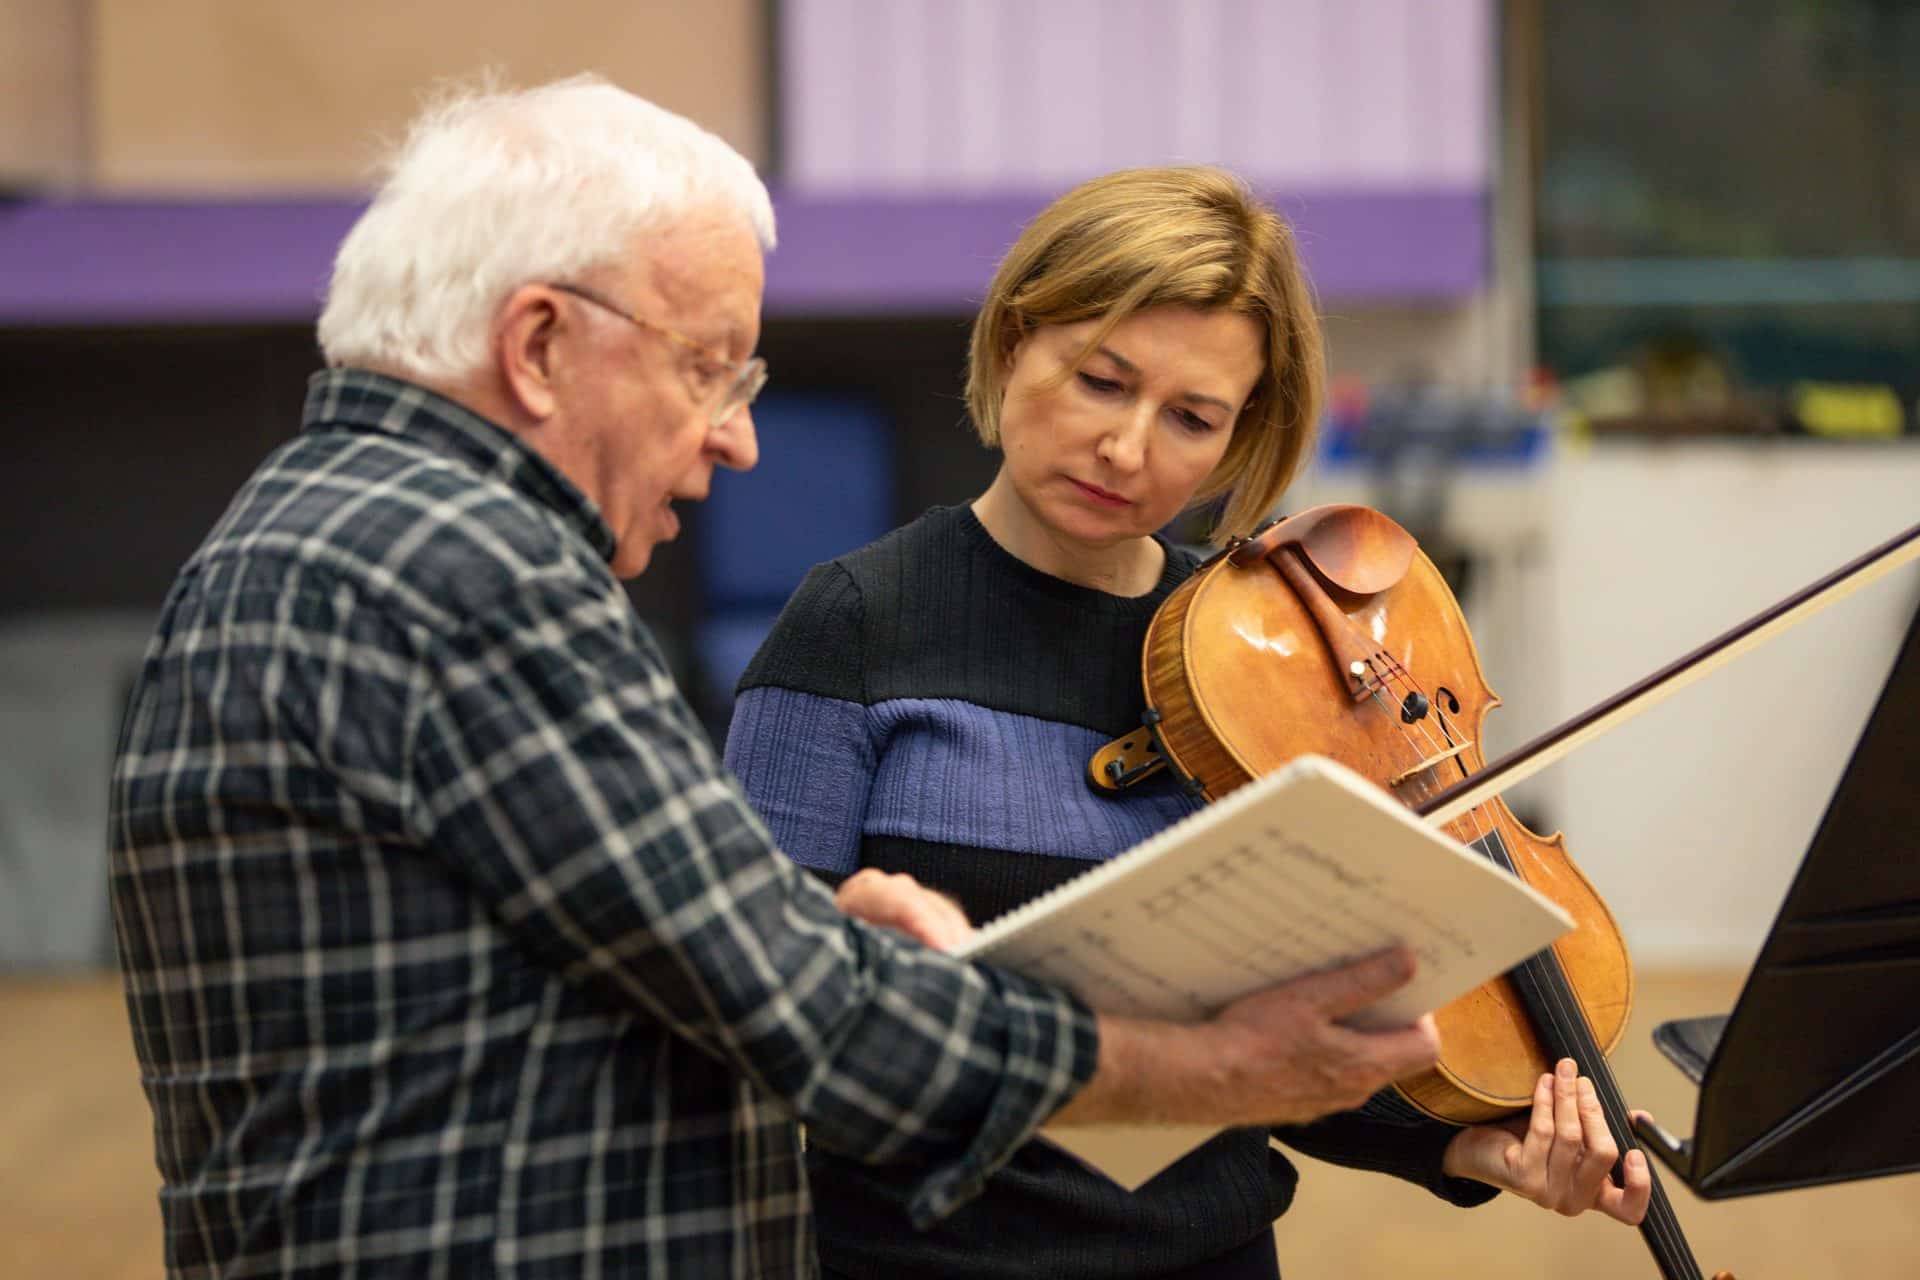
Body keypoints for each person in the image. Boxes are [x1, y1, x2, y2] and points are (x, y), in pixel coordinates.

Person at [106, 79, 1500, 1280]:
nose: (737, 443)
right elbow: (801, 1016)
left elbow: (681, 966)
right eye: (708, 369)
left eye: (1191, 415)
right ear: (537, 345)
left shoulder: (315, 534)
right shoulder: (465, 577)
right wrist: (1204, 1069)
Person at [725, 166, 1653, 1279]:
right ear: (1018, 338)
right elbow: (753, 1026)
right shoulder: (853, 624)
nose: (1128, 448)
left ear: (1239, 432)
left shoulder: (1263, 656)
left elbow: (1269, 1053)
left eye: (1192, 418)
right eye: (1100, 380)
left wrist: (1472, 1138)